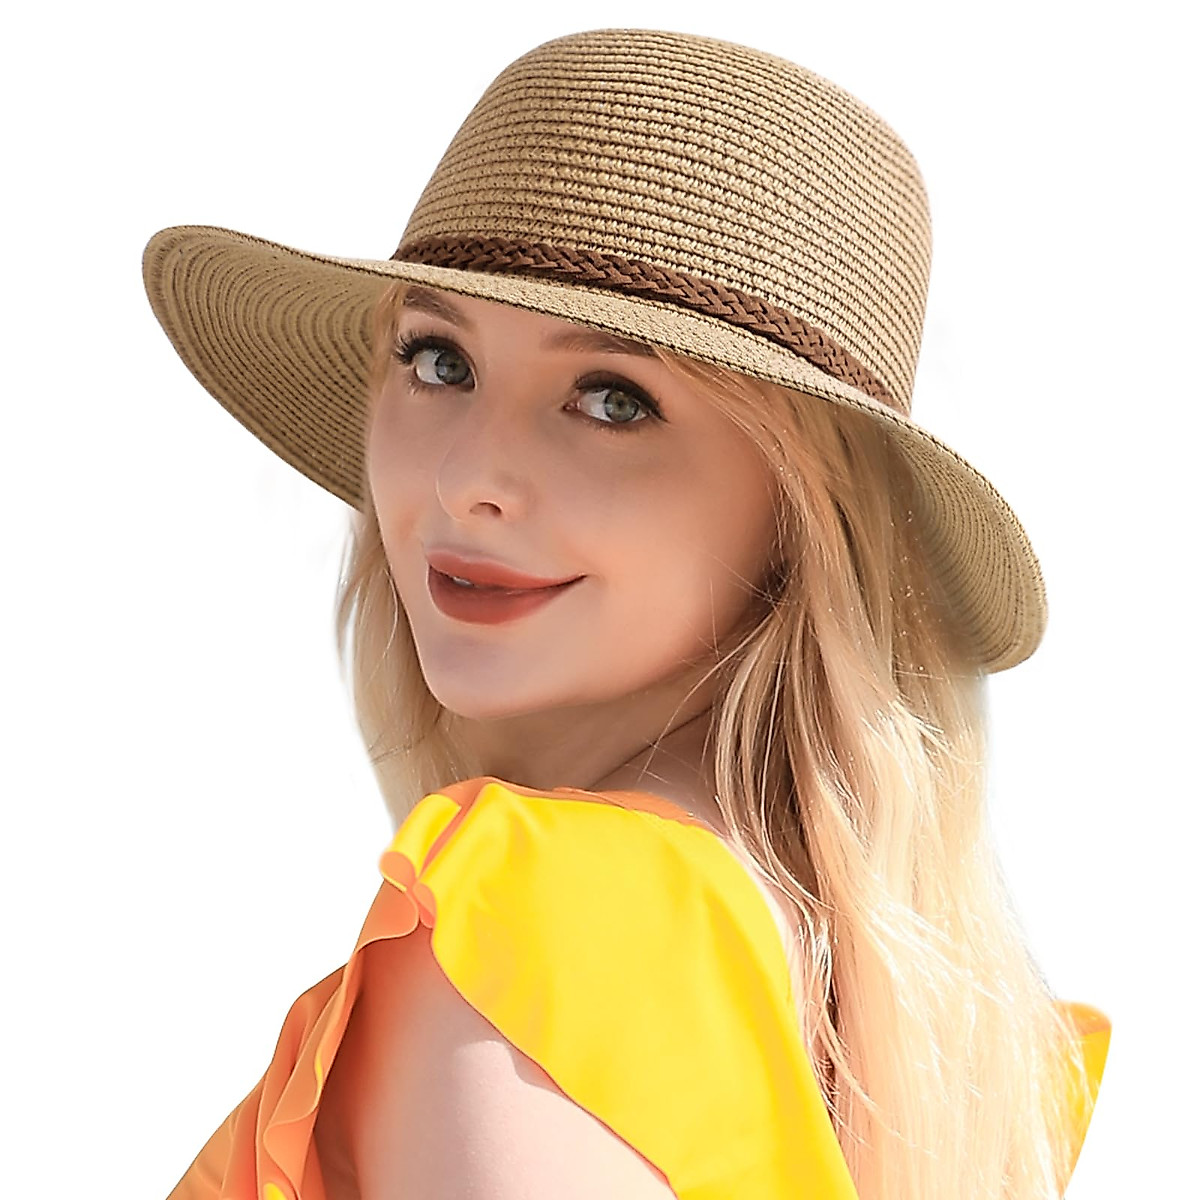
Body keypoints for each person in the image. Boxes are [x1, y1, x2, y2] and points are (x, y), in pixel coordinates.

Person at [142, 27, 1110, 1200]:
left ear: (802, 512)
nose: (467, 479)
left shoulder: (528, 941)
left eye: (612, 398)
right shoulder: (914, 1053)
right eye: (438, 360)